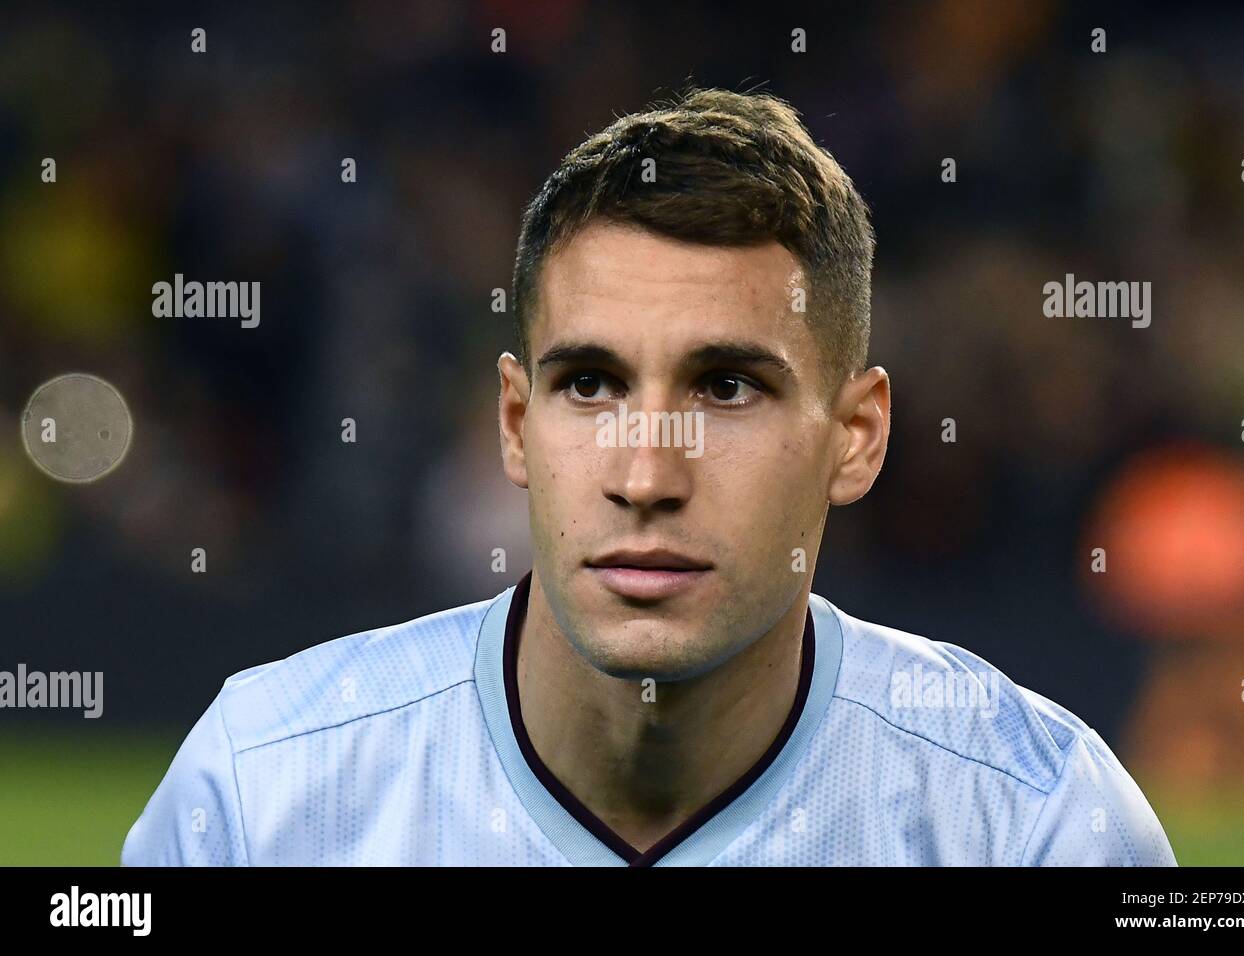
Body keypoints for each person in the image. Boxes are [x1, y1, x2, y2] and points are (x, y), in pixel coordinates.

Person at [122, 87, 1176, 866]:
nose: (644, 472)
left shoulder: (1031, 821)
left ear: (855, 435)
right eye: (590, 384)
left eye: (725, 386)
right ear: (515, 423)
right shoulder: (261, 794)